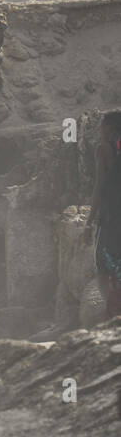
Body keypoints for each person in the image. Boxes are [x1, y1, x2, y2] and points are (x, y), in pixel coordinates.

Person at [88, 111, 121, 320]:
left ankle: (111, 315)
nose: (100, 130)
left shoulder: (103, 149)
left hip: (109, 217)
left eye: (102, 125)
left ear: (109, 127)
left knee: (101, 263)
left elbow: (99, 186)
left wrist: (88, 221)